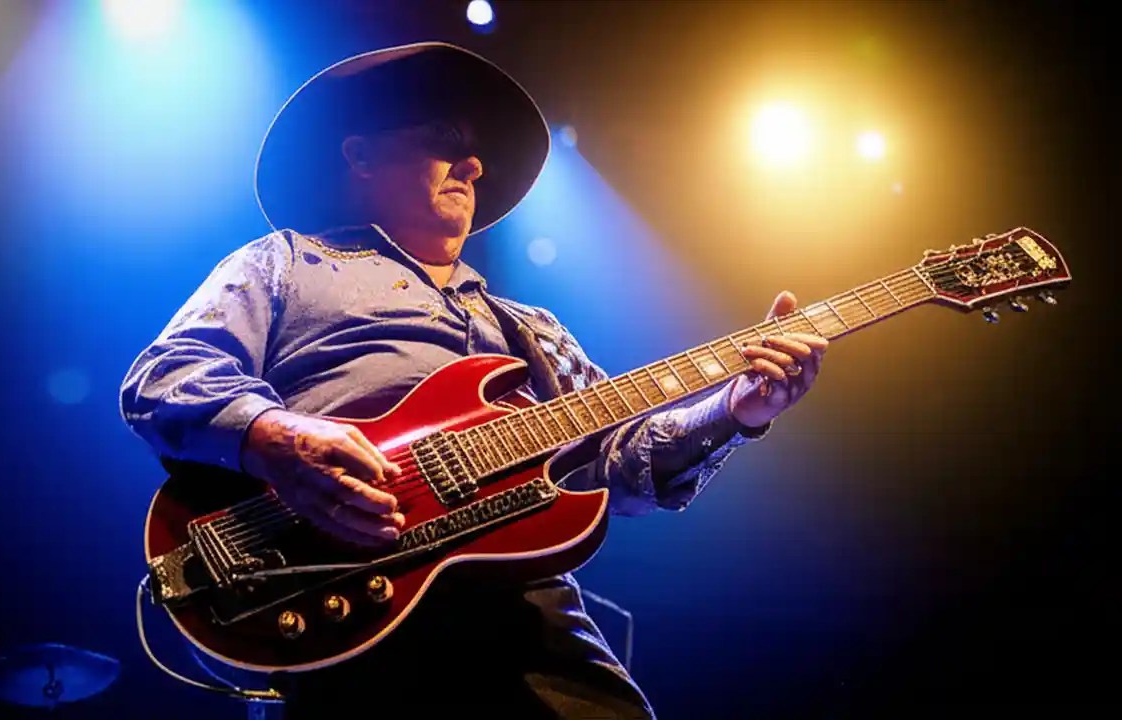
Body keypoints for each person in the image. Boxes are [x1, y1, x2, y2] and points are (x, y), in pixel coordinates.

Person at [120, 42, 827, 719]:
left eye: (473, 149)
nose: (474, 163)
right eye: (443, 137)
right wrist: (274, 436)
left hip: (521, 607)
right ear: (360, 155)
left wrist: (736, 408)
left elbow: (623, 462)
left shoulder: (533, 329)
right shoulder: (286, 262)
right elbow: (165, 376)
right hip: (334, 575)